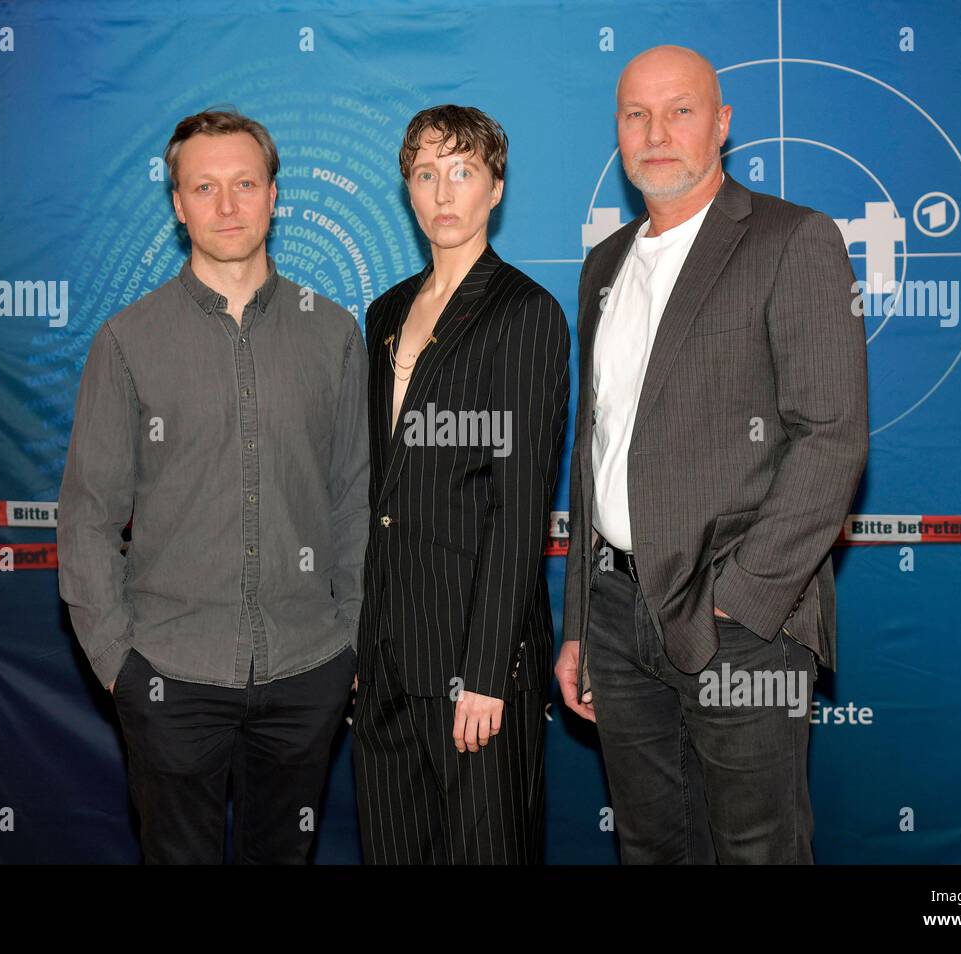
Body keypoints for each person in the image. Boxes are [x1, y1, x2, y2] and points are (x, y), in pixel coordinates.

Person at [555, 46, 869, 864]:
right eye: (636, 115)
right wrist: (581, 621)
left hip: (738, 620)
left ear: (722, 125)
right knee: (651, 844)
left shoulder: (791, 239)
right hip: (619, 617)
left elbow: (831, 435)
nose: (656, 132)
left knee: (756, 847)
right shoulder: (603, 266)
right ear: (618, 132)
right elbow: (598, 449)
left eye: (680, 110)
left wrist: (741, 597)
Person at [57, 108, 368, 864]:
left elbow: (353, 501)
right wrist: (119, 665)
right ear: (177, 204)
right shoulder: (128, 341)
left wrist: (352, 647)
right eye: (204, 187)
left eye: (244, 184)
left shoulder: (332, 334)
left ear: (272, 195)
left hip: (307, 670)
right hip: (169, 675)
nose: (226, 206)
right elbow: (87, 517)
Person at [351, 105, 571, 864]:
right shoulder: (382, 313)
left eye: (463, 171)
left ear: (495, 188)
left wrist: (487, 673)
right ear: (408, 191)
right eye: (425, 173)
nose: (443, 190)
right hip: (385, 653)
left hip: (474, 665)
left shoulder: (525, 313)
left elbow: (520, 508)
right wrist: (359, 645)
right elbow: (375, 492)